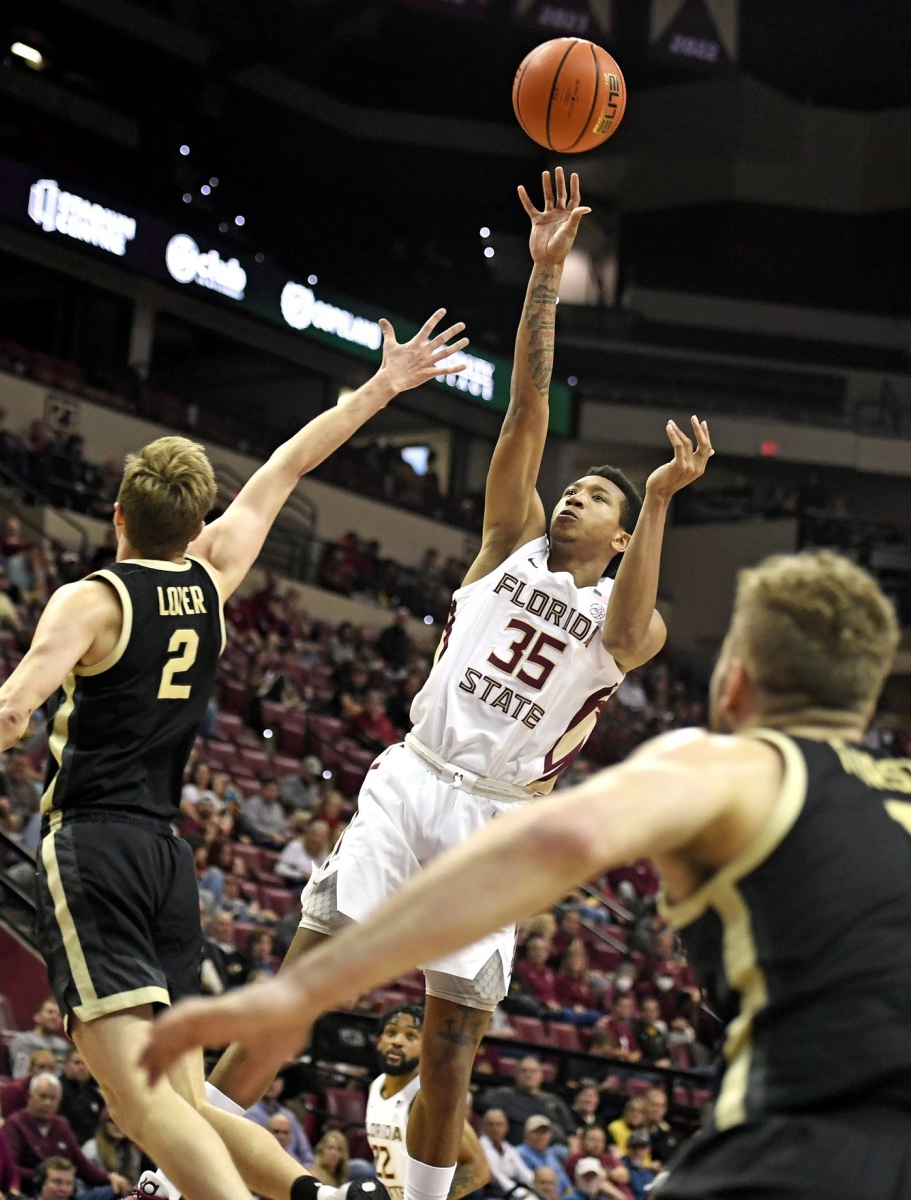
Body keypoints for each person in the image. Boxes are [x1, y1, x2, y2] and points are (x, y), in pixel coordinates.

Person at [183, 167, 711, 1200]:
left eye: (594, 498)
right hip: (416, 776)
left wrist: (654, 499)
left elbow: (637, 616)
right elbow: (524, 404)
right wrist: (544, 280)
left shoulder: (625, 626)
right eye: (574, 487)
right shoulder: (508, 543)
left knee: (449, 1052)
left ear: (617, 533)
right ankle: (180, 1169)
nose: (573, 499)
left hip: (499, 823)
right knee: (295, 993)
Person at [146, 549, 911, 1200]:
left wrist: (300, 991)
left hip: (798, 1147)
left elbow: (555, 847)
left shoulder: (733, 766)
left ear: (735, 682)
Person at [0, 307, 468, 1200]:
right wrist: (386, 386)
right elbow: (288, 464)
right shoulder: (211, 579)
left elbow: (8, 717)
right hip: (171, 860)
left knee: (139, 1103)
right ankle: (311, 1192)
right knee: (189, 1092)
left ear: (117, 512)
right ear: (198, 517)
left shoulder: (92, 600)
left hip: (96, 845)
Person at [366, 1005, 488, 1200]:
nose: (397, 1042)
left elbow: (478, 1169)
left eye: (410, 1036)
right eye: (391, 1033)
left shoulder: (426, 1097)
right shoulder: (376, 1085)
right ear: (379, 1041)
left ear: (426, 1048)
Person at [1, 1074, 127, 1197]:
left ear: (59, 1102)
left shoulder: (61, 1125)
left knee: (113, 1191)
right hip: (30, 1192)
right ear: (30, 1097)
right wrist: (43, 1176)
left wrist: (109, 1177)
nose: (47, 1103)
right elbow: (9, 1168)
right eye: (43, 1097)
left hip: (67, 1192)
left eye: (53, 1098)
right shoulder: (14, 1124)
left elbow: (81, 1164)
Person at [478, 1058, 575, 1147]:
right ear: (515, 1074)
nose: (528, 1075)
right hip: (520, 1151)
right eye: (524, 1071)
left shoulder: (553, 1100)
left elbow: (571, 1133)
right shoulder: (502, 1096)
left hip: (559, 1150)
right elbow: (478, 1106)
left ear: (541, 1076)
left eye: (533, 1071)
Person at [477, 1110, 533, 1199]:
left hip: (511, 1191)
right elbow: (497, 1177)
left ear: (506, 1127)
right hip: (492, 1194)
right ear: (483, 1127)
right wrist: (522, 1194)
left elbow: (523, 1172)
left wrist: (536, 1188)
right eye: (491, 1124)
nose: (495, 1128)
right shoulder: (480, 1147)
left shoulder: (508, 1147)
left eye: (499, 1124)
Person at [7, 1000, 70, 1079]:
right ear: (37, 1017)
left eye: (58, 1015)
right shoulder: (23, 1040)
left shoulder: (63, 1046)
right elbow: (21, 1074)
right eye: (50, 1012)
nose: (54, 1017)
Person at [58, 1050, 104, 1146]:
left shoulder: (94, 1093)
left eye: (85, 1063)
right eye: (77, 1063)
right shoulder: (57, 1089)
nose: (82, 1067)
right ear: (65, 1065)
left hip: (95, 1146)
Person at [514, 1118, 570, 1197]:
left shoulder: (552, 1154)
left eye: (544, 1133)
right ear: (526, 1134)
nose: (540, 1137)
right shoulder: (518, 1153)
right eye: (536, 1132)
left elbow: (567, 1186)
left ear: (550, 1136)